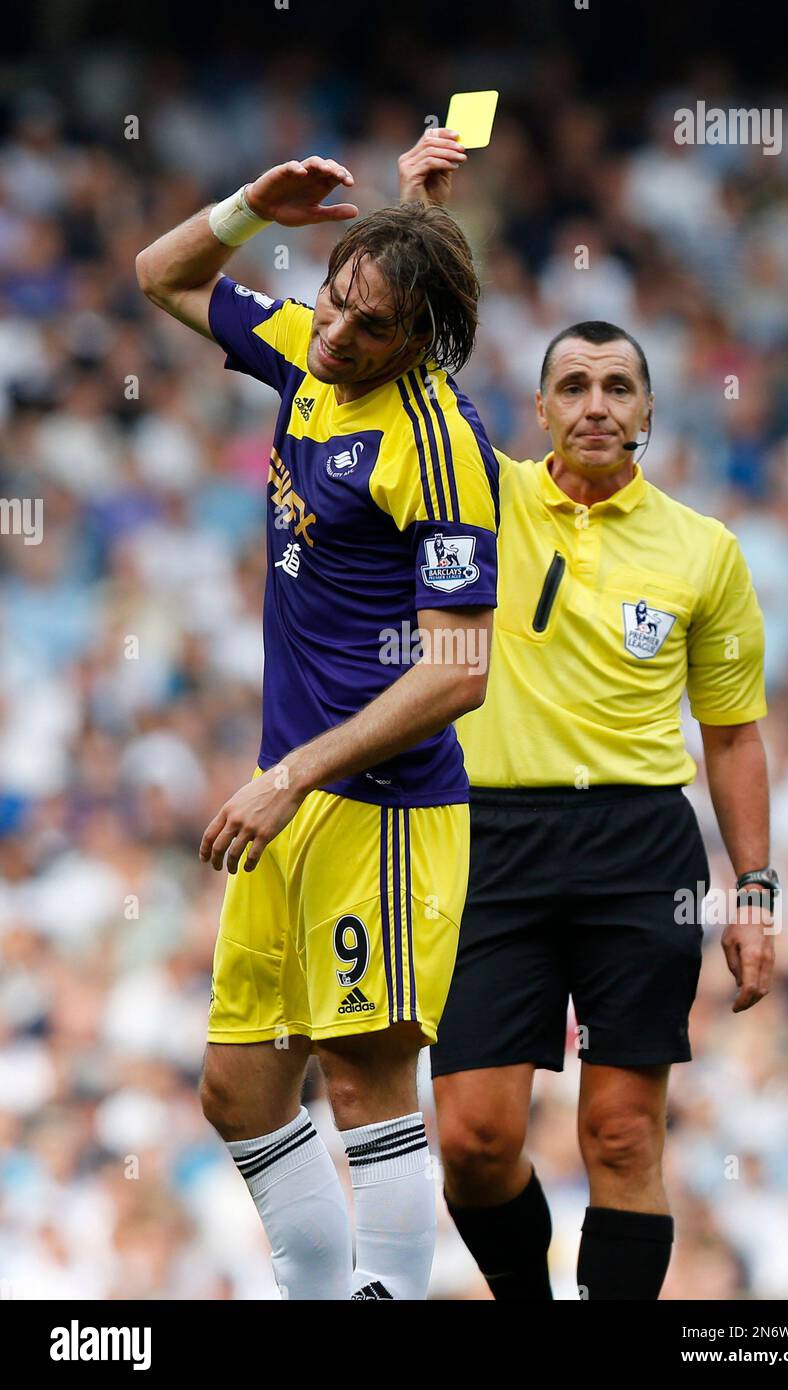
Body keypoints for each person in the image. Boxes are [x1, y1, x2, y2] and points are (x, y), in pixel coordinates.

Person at [399, 130, 778, 1300]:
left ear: (650, 412)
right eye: (574, 384)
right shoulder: (485, 491)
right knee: (471, 1139)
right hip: (491, 839)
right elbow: (413, 365)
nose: (596, 404)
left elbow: (730, 734)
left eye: (618, 387)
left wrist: (754, 890)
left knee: (620, 1135)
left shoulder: (701, 551)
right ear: (541, 403)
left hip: (636, 847)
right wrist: (422, 214)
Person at [136, 153, 499, 1300]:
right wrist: (251, 210)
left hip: (378, 804)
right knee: (236, 1092)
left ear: (420, 341)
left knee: (361, 1076)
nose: (336, 335)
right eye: (333, 301)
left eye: (369, 325)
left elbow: (458, 672)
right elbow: (160, 274)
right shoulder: (307, 347)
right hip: (285, 791)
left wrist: (294, 773)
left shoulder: (437, 445)